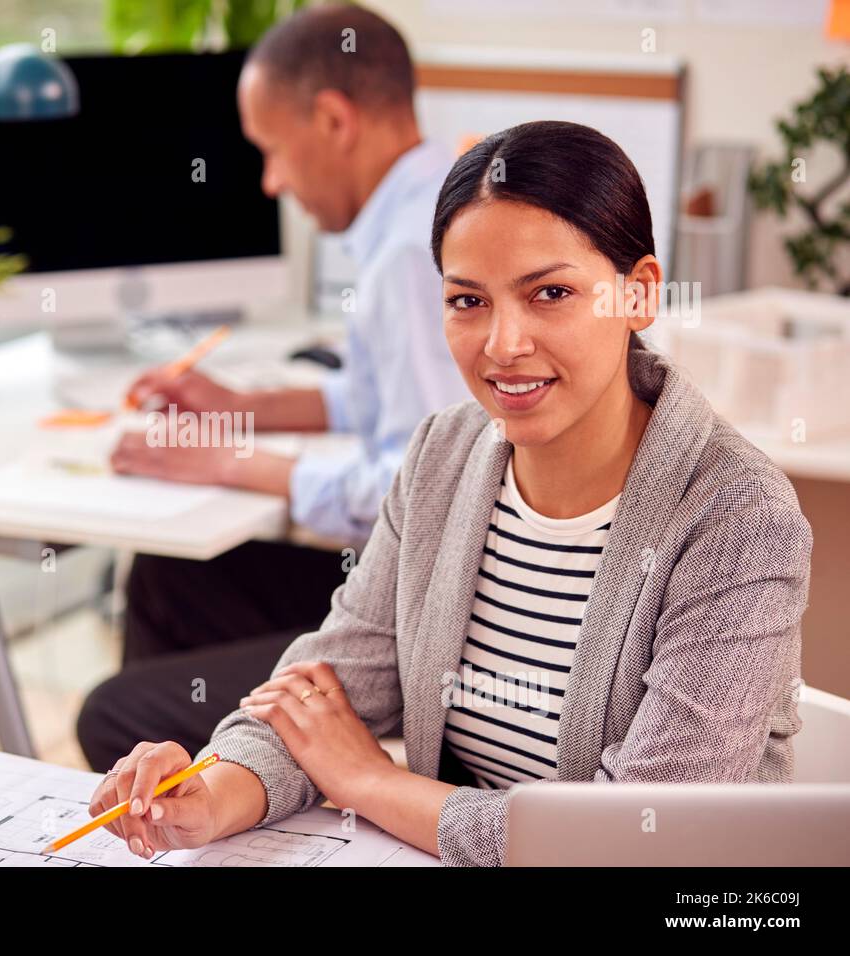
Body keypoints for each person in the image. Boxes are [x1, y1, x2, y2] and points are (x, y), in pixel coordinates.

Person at [83, 120, 813, 866]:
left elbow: (638, 842)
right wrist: (212, 791)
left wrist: (371, 782)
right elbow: (323, 692)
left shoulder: (738, 518)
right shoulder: (445, 454)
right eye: (468, 301)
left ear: (639, 294)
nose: (503, 344)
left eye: (551, 293)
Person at [77, 3, 467, 772]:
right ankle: (226, 791)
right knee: (172, 575)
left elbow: (421, 489)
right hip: (411, 587)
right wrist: (240, 411)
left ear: (332, 119)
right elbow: (385, 400)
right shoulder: (420, 214)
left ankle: (204, 785)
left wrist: (230, 463)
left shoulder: (408, 257)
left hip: (425, 621)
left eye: (273, 151)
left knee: (113, 710)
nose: (271, 181)